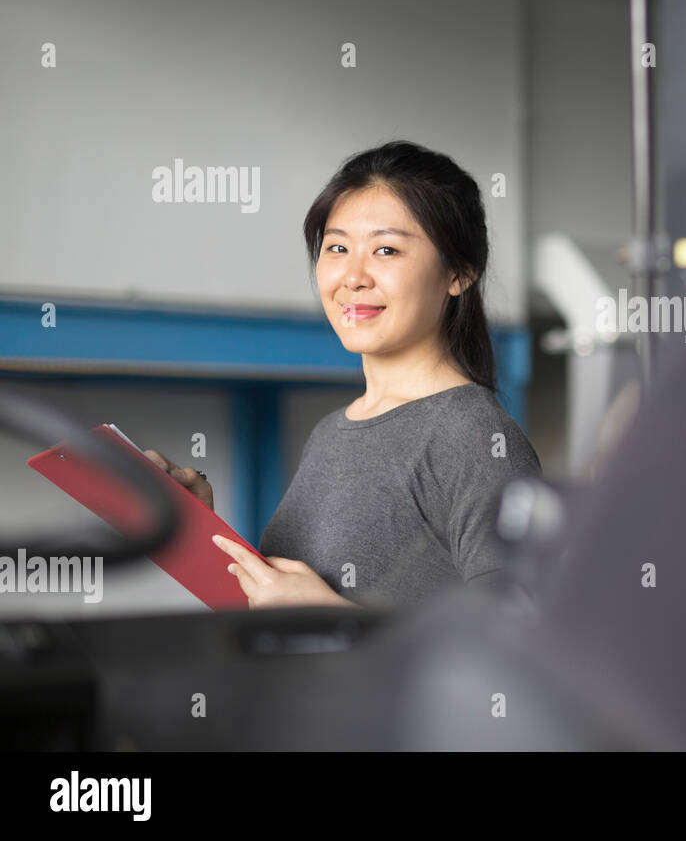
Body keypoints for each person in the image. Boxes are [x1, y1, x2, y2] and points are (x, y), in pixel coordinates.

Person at [144, 140, 541, 609]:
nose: (353, 276)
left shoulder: (475, 436)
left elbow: (520, 646)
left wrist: (331, 616)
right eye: (336, 247)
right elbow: (271, 618)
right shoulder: (332, 431)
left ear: (459, 273)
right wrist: (194, 528)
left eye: (386, 250)